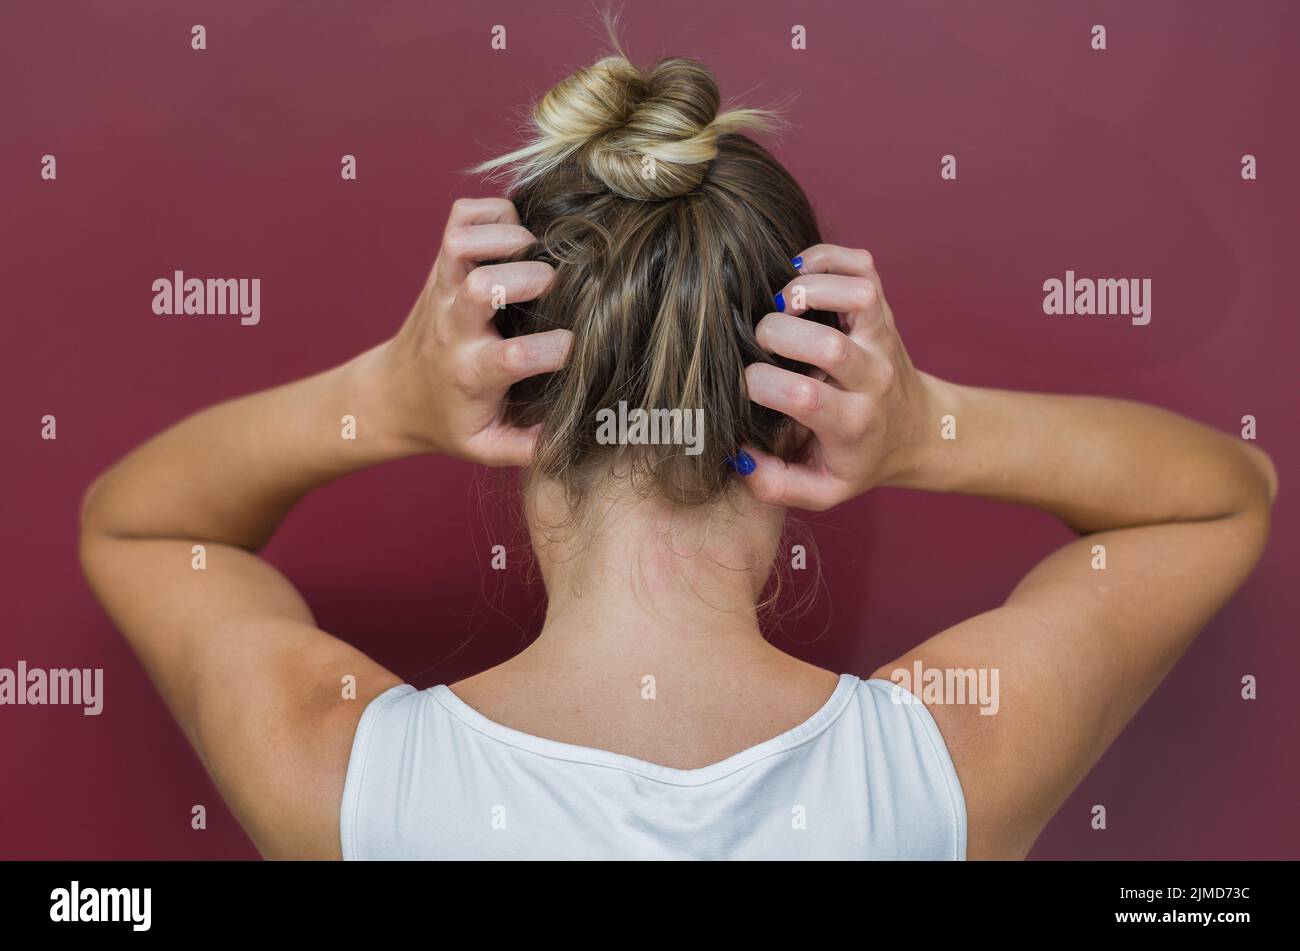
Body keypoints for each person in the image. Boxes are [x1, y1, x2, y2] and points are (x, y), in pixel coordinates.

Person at [79, 46, 1277, 860]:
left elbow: (138, 526)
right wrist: (922, 428)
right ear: (800, 405)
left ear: (518, 405)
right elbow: (1217, 502)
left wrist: (384, 400)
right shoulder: (937, 773)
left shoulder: (346, 781)